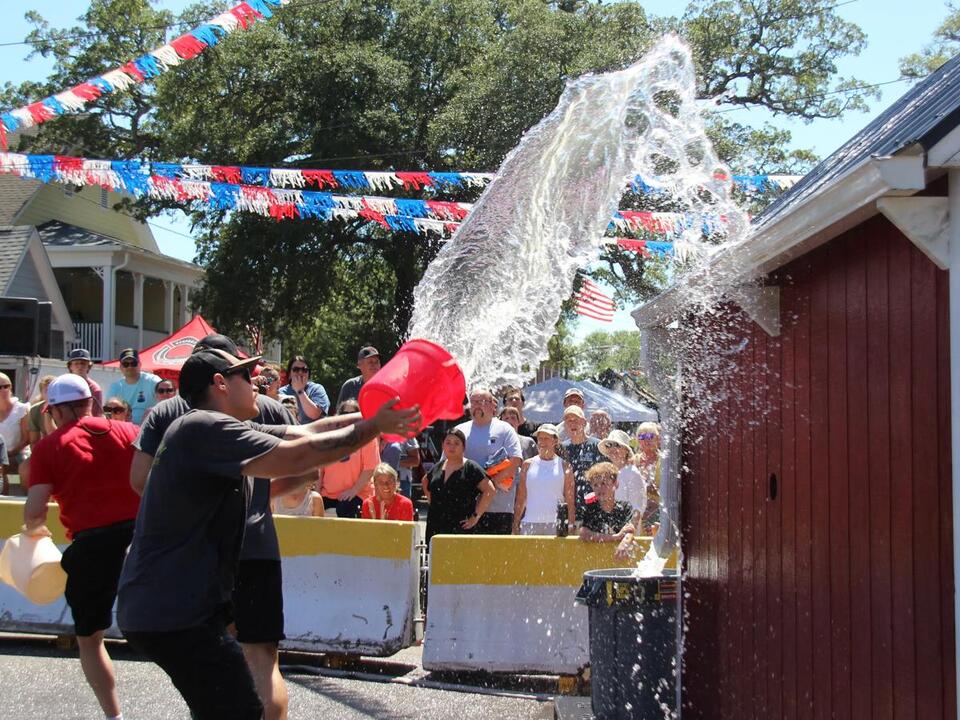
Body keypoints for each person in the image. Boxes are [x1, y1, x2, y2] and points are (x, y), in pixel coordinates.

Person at [117, 345, 420, 720]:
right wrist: (375, 427)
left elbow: (304, 432)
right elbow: (298, 456)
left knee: (223, 708)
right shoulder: (204, 427)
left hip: (169, 607)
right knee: (240, 710)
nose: (256, 382)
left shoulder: (216, 427)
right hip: (175, 609)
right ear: (220, 385)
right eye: (245, 376)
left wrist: (373, 417)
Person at [129, 334, 316, 720]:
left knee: (217, 663)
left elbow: (139, 480)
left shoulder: (167, 413)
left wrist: (188, 507)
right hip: (256, 546)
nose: (249, 377)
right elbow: (307, 468)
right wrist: (258, 497)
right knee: (262, 661)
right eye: (244, 371)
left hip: (202, 553)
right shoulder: (266, 406)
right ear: (220, 376)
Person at [22, 374, 141, 720]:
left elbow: (34, 511)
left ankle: (114, 716)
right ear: (91, 402)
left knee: (90, 639)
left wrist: (33, 535)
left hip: (92, 547)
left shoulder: (49, 447)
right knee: (173, 631)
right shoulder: (131, 433)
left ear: (53, 411)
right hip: (141, 539)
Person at [454, 387, 522, 534]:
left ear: (493, 405)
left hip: (499, 508)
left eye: (482, 402)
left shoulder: (505, 430)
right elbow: (447, 463)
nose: (477, 405)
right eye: (474, 402)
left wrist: (490, 485)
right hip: (467, 508)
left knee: (498, 555)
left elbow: (515, 460)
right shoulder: (459, 431)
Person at [423, 428, 496, 545]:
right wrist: (433, 502)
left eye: (456, 443)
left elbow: (490, 490)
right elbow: (425, 481)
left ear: (463, 447)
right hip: (436, 525)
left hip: (461, 527)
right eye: (448, 443)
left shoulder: (470, 467)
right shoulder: (437, 467)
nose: (452, 446)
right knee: (435, 560)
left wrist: (476, 516)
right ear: (443, 446)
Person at [319, 400, 380, 518]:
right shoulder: (329, 437)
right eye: (344, 413)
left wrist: (353, 491)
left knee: (345, 511)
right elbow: (320, 469)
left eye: (353, 414)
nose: (348, 417)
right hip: (328, 494)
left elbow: (370, 469)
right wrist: (316, 492)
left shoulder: (367, 437)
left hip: (357, 494)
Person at [513, 423, 576, 536]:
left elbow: (570, 499)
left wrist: (570, 524)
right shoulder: (527, 465)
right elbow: (521, 496)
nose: (542, 442)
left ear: (555, 441)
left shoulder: (565, 466)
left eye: (546, 438)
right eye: (540, 438)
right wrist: (516, 523)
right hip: (529, 522)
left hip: (555, 524)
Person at [578, 462, 637, 561]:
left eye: (604, 483)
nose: (599, 488)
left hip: (617, 561)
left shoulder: (624, 507)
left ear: (616, 484)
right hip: (594, 560)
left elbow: (630, 531)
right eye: (595, 485)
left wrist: (625, 543)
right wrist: (615, 537)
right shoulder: (590, 508)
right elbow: (584, 534)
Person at [497, 406, 536, 533]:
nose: (509, 420)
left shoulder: (528, 442)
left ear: (519, 422)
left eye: (513, 418)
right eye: (506, 418)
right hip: (502, 492)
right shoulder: (495, 442)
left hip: (524, 491)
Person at [561, 405, 603, 522]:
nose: (572, 424)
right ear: (565, 425)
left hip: (594, 509)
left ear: (584, 422)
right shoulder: (561, 449)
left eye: (576, 420)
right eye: (569, 421)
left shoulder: (597, 446)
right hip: (568, 510)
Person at [106, 348, 161, 424]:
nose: (130, 367)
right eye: (126, 364)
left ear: (139, 365)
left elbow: (165, 401)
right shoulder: (115, 387)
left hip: (150, 427)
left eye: (133, 363)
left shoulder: (152, 381)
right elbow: (108, 412)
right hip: (124, 429)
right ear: (121, 367)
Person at [599, 429, 646, 514]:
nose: (612, 448)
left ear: (626, 450)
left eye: (616, 445)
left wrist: (627, 526)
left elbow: (637, 509)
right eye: (609, 445)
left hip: (627, 525)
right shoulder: (607, 474)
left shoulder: (632, 473)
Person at [279, 355, 330, 423]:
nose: (300, 373)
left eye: (304, 370)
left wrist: (300, 391)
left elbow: (315, 414)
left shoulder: (317, 389)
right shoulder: (281, 392)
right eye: (296, 370)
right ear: (289, 373)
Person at [635, 422, 663, 535]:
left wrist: (651, 490)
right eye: (641, 437)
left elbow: (671, 492)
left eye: (650, 436)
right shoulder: (634, 460)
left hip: (658, 514)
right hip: (638, 513)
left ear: (658, 438)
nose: (646, 440)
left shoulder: (665, 461)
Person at [0, 371, 31, 471]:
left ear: (11, 388)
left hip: (18, 455)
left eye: (6, 386)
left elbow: (26, 440)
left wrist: (8, 454)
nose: (3, 390)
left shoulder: (22, 409)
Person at [379, 434, 420, 498]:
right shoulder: (375, 432)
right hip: (377, 481)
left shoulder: (406, 433)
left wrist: (392, 462)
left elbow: (415, 461)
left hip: (401, 482)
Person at [67, 348, 103, 415]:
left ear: (88, 366)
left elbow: (97, 415)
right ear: (70, 366)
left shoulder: (94, 389)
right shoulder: (64, 385)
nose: (80, 366)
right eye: (76, 363)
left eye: (83, 363)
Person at [26, 374, 57, 447]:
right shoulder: (35, 410)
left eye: (53, 390)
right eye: (47, 391)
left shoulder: (66, 408)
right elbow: (34, 441)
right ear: (41, 393)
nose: (50, 394)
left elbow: (55, 436)